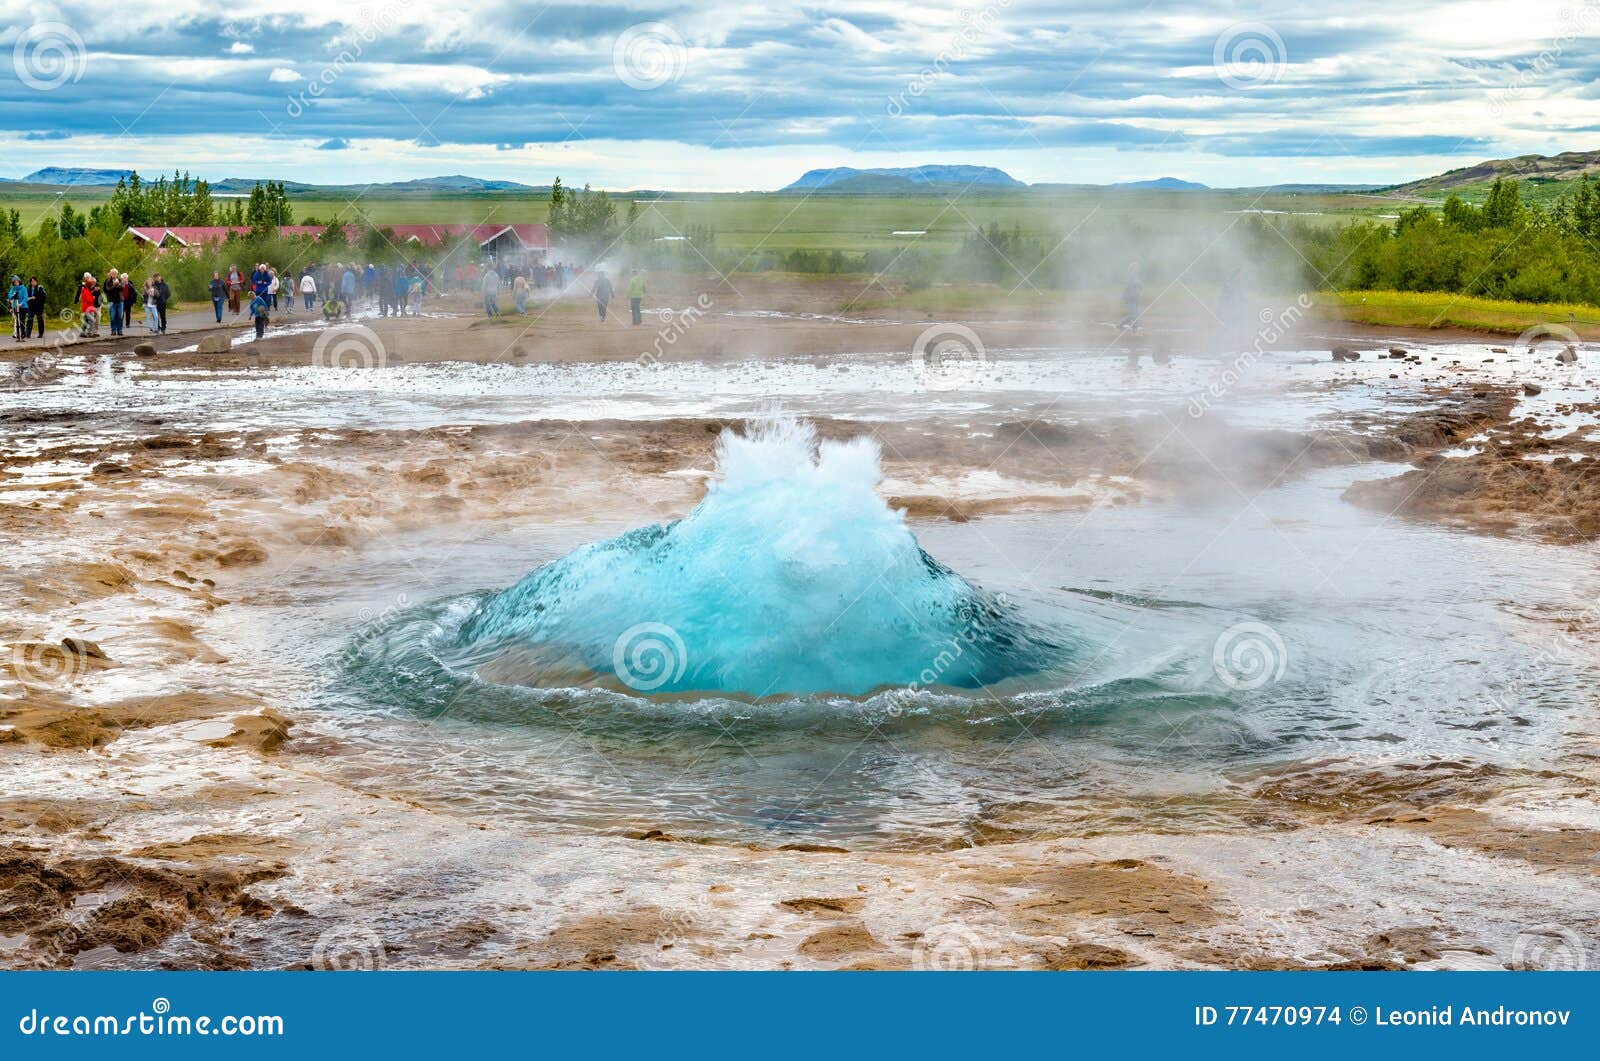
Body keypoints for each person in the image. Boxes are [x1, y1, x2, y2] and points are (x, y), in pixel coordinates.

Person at [1119, 259, 1142, 332]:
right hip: (1130, 298)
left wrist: (1140, 287)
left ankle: (1134, 328)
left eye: (1138, 267)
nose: (1138, 269)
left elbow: (1138, 285)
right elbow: (1129, 287)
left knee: (1136, 314)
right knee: (1134, 314)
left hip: (1134, 298)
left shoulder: (1135, 276)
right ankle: (1120, 325)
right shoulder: (1130, 276)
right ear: (1132, 268)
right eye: (1136, 267)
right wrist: (1134, 295)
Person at [7, 275, 27, 341]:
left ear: (19, 281)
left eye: (17, 282)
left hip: (23, 306)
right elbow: (9, 296)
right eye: (14, 282)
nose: (16, 283)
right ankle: (18, 335)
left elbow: (25, 297)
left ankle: (23, 334)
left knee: (22, 320)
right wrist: (12, 295)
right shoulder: (13, 289)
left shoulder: (23, 288)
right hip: (16, 307)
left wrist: (21, 304)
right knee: (17, 321)